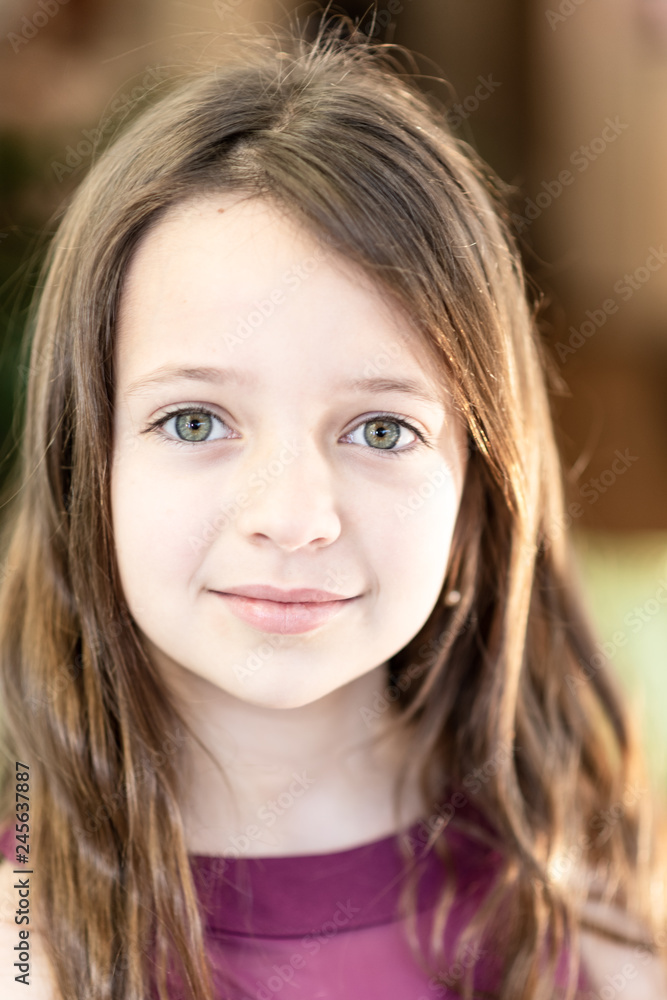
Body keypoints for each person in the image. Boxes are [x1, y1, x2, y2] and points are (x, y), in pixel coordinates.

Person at [0, 9, 665, 1000]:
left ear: (478, 486)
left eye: (380, 430)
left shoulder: (590, 919)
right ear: (83, 461)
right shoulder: (22, 929)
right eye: (194, 421)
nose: (292, 515)